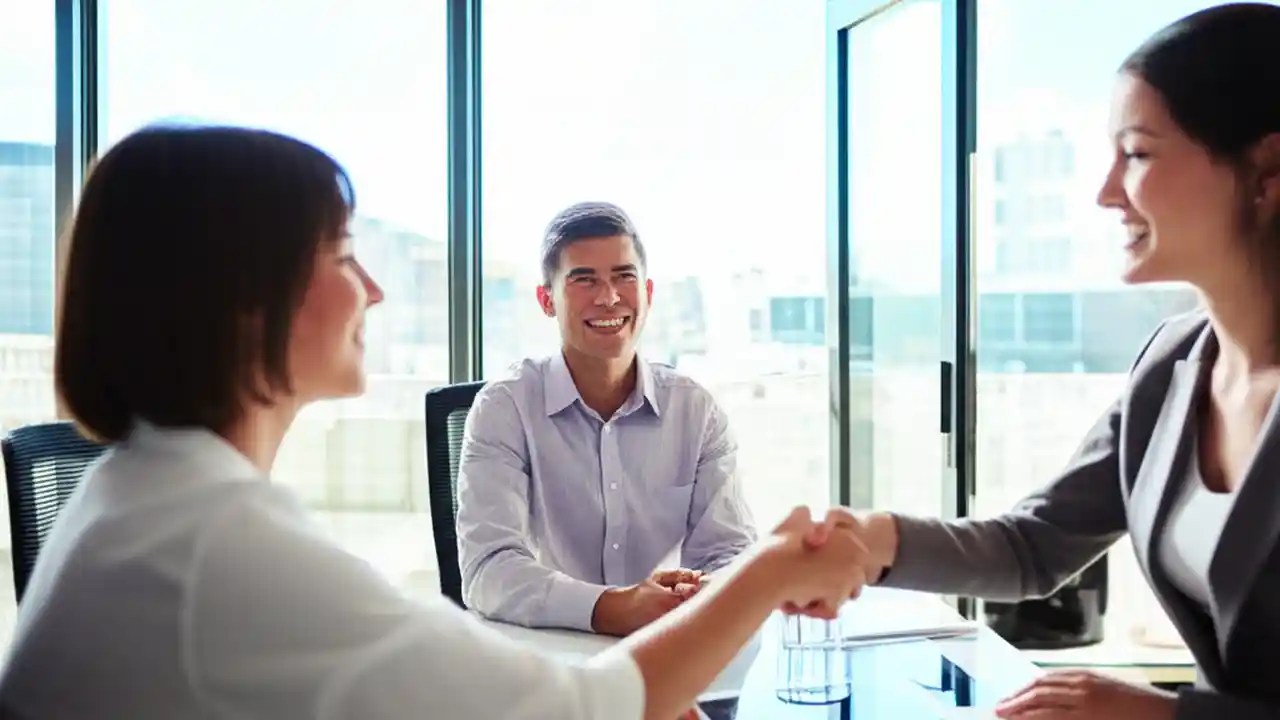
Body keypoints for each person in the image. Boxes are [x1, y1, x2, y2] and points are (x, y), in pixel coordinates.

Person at [0, 125, 871, 719]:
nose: (373, 290)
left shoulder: (137, 499)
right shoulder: (211, 544)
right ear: (239, 303)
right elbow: (581, 710)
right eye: (342, 255)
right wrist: (773, 572)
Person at [811, 4, 1280, 719]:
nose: (1106, 191)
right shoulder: (1171, 365)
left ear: (1268, 172)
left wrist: (1166, 716)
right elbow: (1037, 547)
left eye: (1140, 152)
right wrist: (878, 542)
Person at [455, 201, 756, 636]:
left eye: (623, 277)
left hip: (666, 648)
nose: (609, 297)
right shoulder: (505, 409)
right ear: (546, 300)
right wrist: (614, 608)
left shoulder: (695, 411)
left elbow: (730, 555)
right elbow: (489, 569)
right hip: (548, 663)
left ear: (648, 292)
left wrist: (693, 596)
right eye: (584, 280)